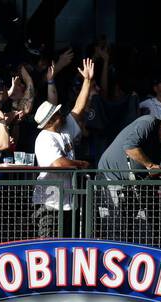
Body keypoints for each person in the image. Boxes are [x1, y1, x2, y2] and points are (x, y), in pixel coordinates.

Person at [31, 57, 95, 238]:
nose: (61, 114)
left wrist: (87, 81)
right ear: (51, 120)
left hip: (67, 201)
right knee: (49, 246)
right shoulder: (44, 138)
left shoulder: (64, 126)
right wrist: (80, 164)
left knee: (67, 246)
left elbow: (79, 107)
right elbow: (58, 163)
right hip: (49, 203)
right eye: (57, 113)